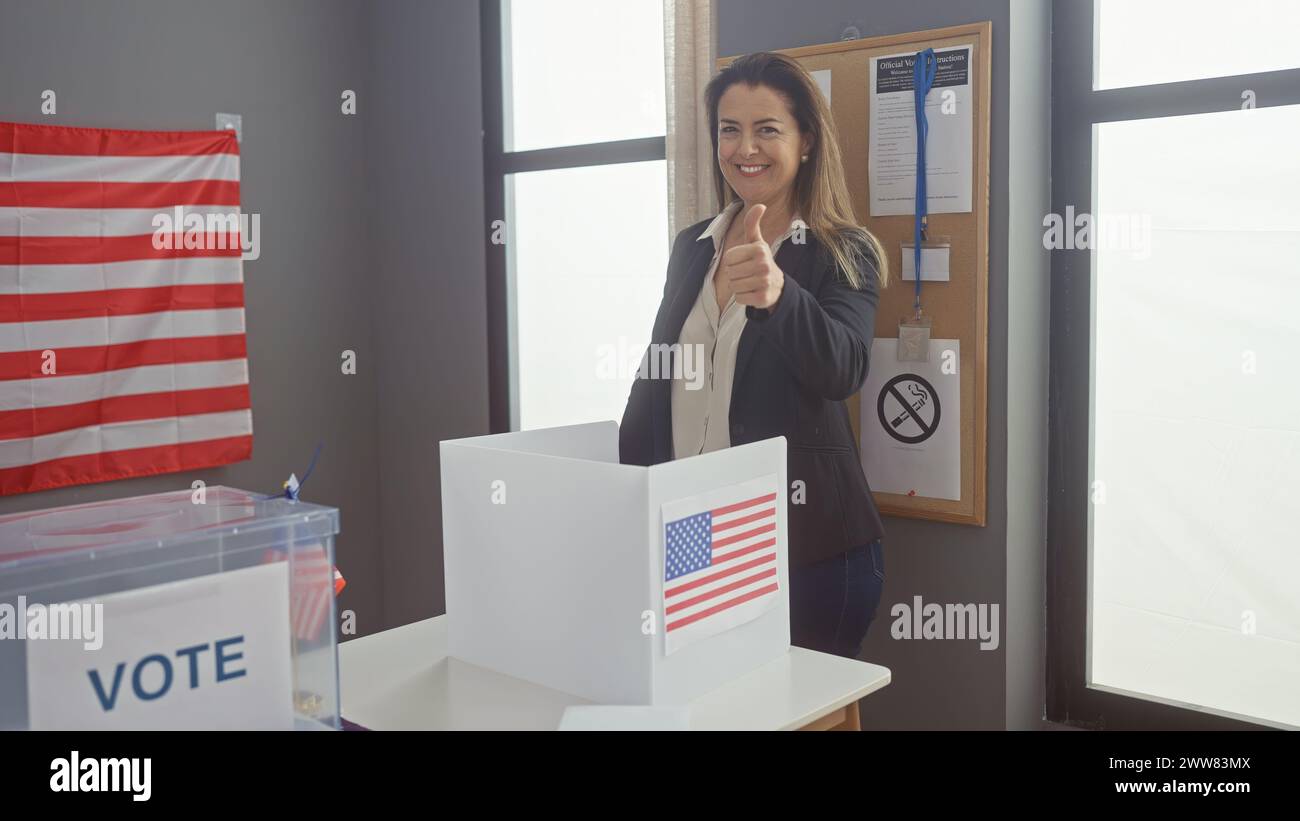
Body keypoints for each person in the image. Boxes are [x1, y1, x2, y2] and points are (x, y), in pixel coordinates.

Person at [619, 51, 890, 660]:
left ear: (807, 141)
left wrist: (778, 296)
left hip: (810, 553)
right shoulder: (694, 245)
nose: (746, 147)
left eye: (767, 129)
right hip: (696, 539)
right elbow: (658, 373)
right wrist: (628, 494)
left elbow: (843, 368)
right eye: (729, 129)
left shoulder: (842, 250)